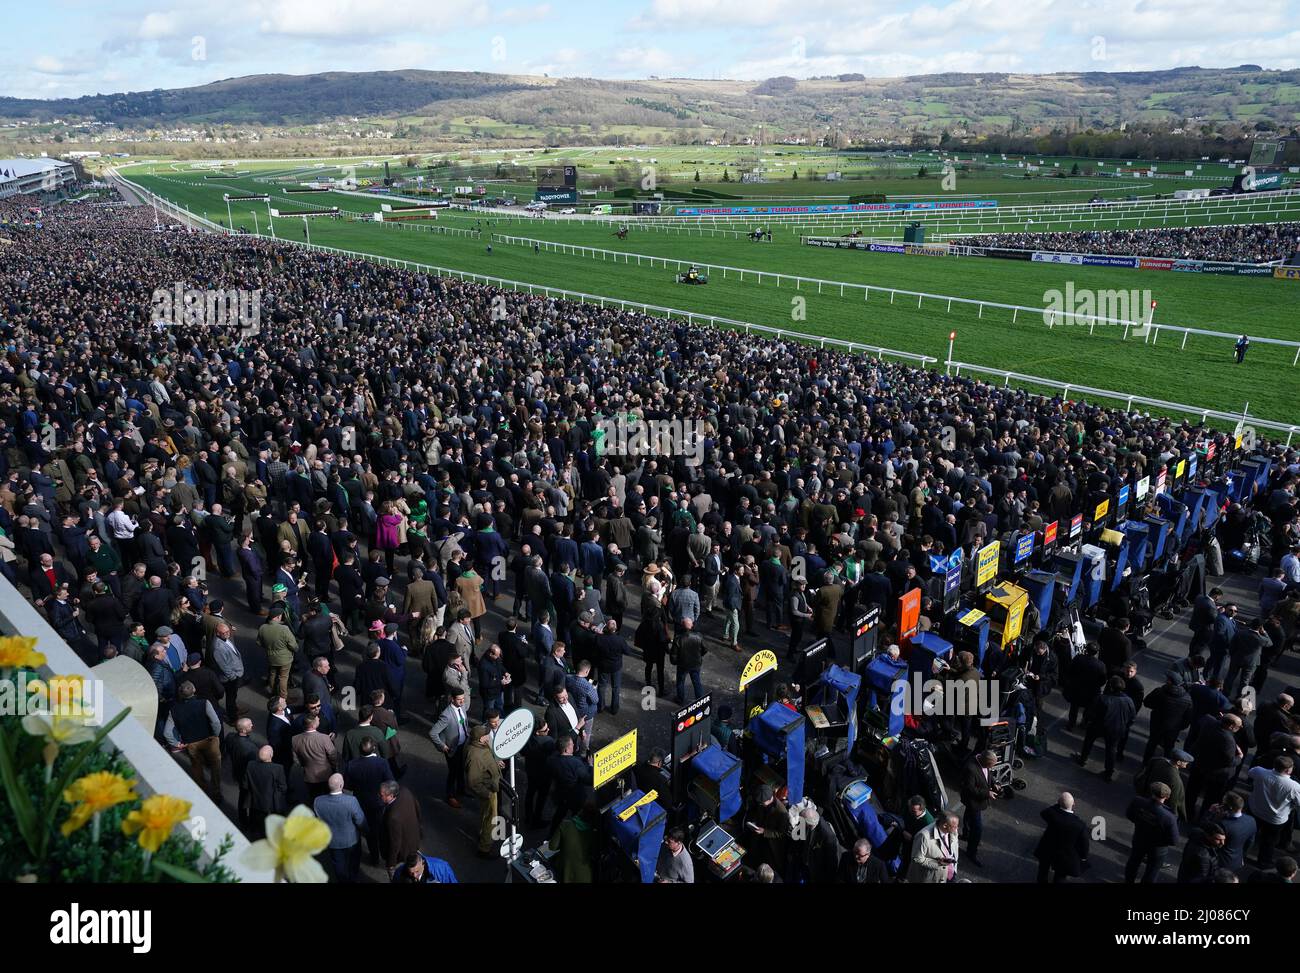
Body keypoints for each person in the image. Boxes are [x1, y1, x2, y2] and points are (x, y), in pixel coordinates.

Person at [163, 681, 224, 801]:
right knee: (215, 765)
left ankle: (203, 791)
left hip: (191, 743)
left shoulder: (174, 710)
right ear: (194, 690)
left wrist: (176, 744)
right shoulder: (204, 703)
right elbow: (216, 722)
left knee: (197, 766)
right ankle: (216, 792)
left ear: (180, 694)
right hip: (209, 740)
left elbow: (167, 732)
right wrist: (215, 735)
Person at [1076, 675, 1137, 781]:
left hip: (1098, 726)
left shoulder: (1102, 698)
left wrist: (1087, 721)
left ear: (1111, 687)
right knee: (1111, 750)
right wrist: (1125, 726)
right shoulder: (1129, 701)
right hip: (1116, 729)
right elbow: (1132, 717)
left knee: (1088, 741)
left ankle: (1083, 759)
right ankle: (1109, 772)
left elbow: (1090, 713)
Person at [1247, 755, 1300, 867]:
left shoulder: (1259, 771)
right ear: (1288, 770)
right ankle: (1264, 862)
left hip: (1255, 810)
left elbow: (1250, 772)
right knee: (1269, 841)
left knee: (1249, 833)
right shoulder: (1294, 786)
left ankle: (1243, 853)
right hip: (1275, 819)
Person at [312, 773, 367, 883]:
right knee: (353, 862)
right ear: (341, 785)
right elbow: (360, 820)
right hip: (351, 840)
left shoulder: (318, 801)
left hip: (332, 841)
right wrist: (366, 831)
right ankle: (353, 879)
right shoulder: (351, 801)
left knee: (338, 864)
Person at [1124, 782, 1180, 883]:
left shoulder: (1137, 801)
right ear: (1167, 797)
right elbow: (1174, 840)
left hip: (1139, 839)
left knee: (1133, 862)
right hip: (1157, 849)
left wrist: (1140, 824)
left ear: (1151, 792)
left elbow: (1129, 815)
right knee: (1152, 871)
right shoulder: (1169, 817)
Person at [428, 691, 473, 807]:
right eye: (459, 699)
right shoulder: (446, 715)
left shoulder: (462, 707)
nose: (462, 701)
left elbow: (463, 723)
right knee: (453, 772)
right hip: (452, 748)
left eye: (463, 699)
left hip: (462, 744)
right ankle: (450, 796)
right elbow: (433, 733)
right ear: (452, 699)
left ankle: (461, 789)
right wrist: (442, 745)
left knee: (461, 768)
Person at [1033, 791, 1090, 883]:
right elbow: (1084, 843)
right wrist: (1084, 857)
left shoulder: (1053, 815)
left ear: (1058, 803)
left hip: (1047, 848)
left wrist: (1057, 805)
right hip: (1065, 856)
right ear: (1074, 804)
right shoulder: (1079, 824)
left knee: (1043, 870)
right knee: (1060, 876)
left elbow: (1044, 813)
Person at [465, 723, 503, 859]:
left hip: (488, 787)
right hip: (487, 790)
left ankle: (482, 833)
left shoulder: (478, 745)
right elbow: (473, 782)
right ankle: (485, 848)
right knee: (491, 817)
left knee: (485, 812)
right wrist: (487, 794)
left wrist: (496, 763)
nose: (489, 736)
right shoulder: (475, 757)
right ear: (481, 738)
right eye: (487, 735)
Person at [959, 750, 998, 867]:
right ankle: (971, 852)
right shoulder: (970, 769)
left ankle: (966, 834)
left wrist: (994, 783)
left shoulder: (982, 762)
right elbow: (970, 789)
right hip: (973, 802)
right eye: (990, 765)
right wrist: (987, 793)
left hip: (974, 802)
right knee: (977, 828)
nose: (991, 768)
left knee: (968, 815)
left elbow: (987, 774)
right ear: (984, 761)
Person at [244, 745, 288, 839]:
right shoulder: (278, 768)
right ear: (271, 755)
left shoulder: (250, 765)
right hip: (269, 805)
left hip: (254, 802)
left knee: (255, 825)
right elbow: (283, 788)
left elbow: (245, 784)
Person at [380, 780, 422, 877]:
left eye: (382, 795)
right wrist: (419, 828)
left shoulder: (393, 817)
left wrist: (391, 863)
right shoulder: (405, 791)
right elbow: (417, 808)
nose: (379, 796)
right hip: (414, 840)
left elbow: (395, 843)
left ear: (391, 796)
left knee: (401, 875)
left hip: (403, 850)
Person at [911, 811, 961, 884]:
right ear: (945, 825)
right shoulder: (924, 836)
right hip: (935, 877)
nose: (957, 828)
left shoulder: (953, 830)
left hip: (951, 873)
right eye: (955, 826)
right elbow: (917, 858)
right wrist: (937, 863)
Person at [391, 851, 458, 883]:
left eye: (417, 871)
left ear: (423, 863)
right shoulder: (399, 873)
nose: (414, 876)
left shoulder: (442, 867)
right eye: (411, 873)